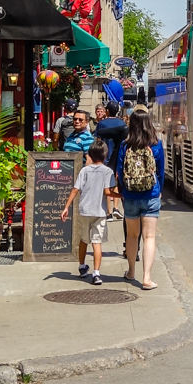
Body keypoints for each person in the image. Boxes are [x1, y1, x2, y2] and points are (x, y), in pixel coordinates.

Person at [116, 110, 165, 290]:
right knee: (149, 237)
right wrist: (159, 190)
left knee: (132, 235)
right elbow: (161, 171)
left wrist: (124, 189)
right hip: (151, 194)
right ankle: (146, 278)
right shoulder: (156, 145)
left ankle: (130, 271)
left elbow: (120, 171)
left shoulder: (125, 145)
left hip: (130, 196)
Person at [60, 138, 117, 286]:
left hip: (84, 210)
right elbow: (107, 191)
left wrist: (66, 207)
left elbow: (75, 189)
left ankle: (81, 266)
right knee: (96, 242)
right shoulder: (108, 171)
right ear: (105, 155)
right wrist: (120, 195)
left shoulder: (84, 170)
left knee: (84, 240)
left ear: (90, 154)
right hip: (99, 212)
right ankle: (96, 273)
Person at [95, 101, 128, 169]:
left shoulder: (101, 124)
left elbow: (98, 141)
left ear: (107, 111)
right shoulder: (123, 123)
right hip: (119, 156)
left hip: (105, 158)